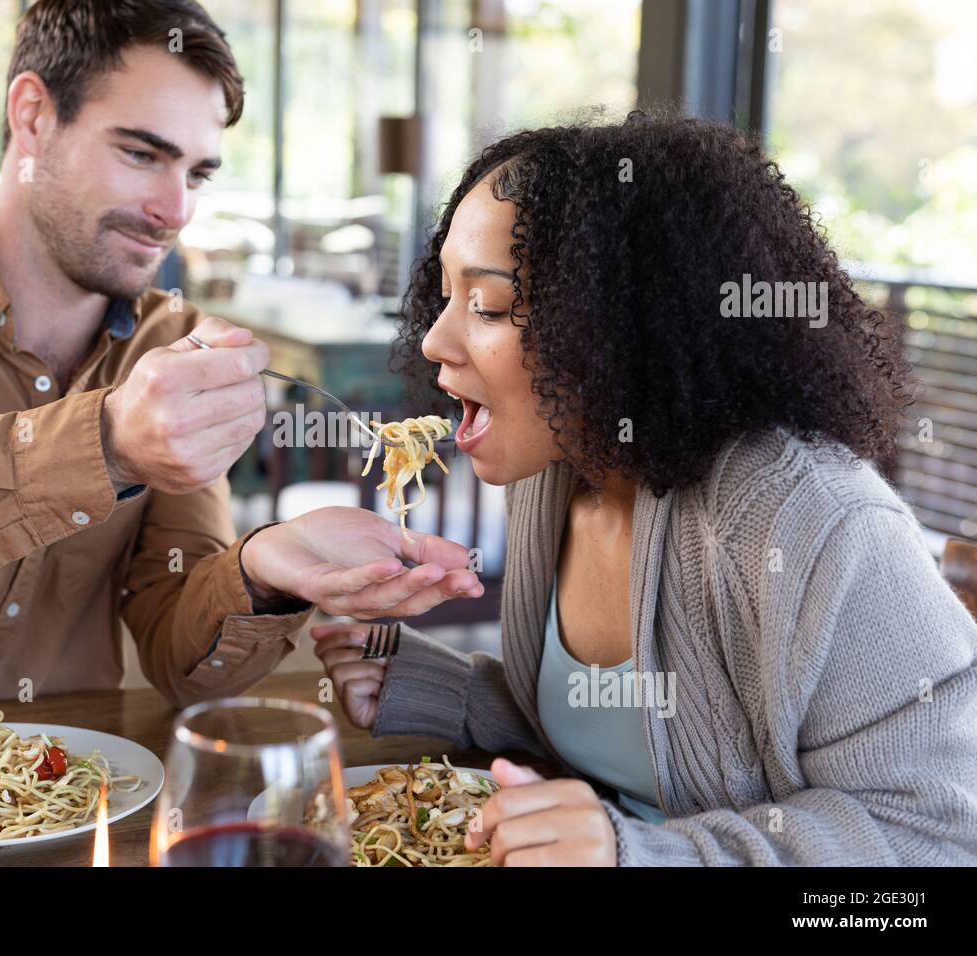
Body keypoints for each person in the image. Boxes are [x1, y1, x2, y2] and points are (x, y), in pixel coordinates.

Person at [0, 0, 483, 730]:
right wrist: (100, 444)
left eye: (198, 173)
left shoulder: (174, 350)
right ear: (32, 115)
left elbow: (183, 665)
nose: (177, 211)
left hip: (47, 802)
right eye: (141, 154)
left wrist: (263, 566)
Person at [314, 111, 977, 865]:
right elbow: (647, 745)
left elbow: (942, 840)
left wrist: (640, 857)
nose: (433, 340)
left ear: (610, 325)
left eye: (488, 306)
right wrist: (450, 693)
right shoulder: (560, 474)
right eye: (442, 297)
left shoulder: (812, 523)